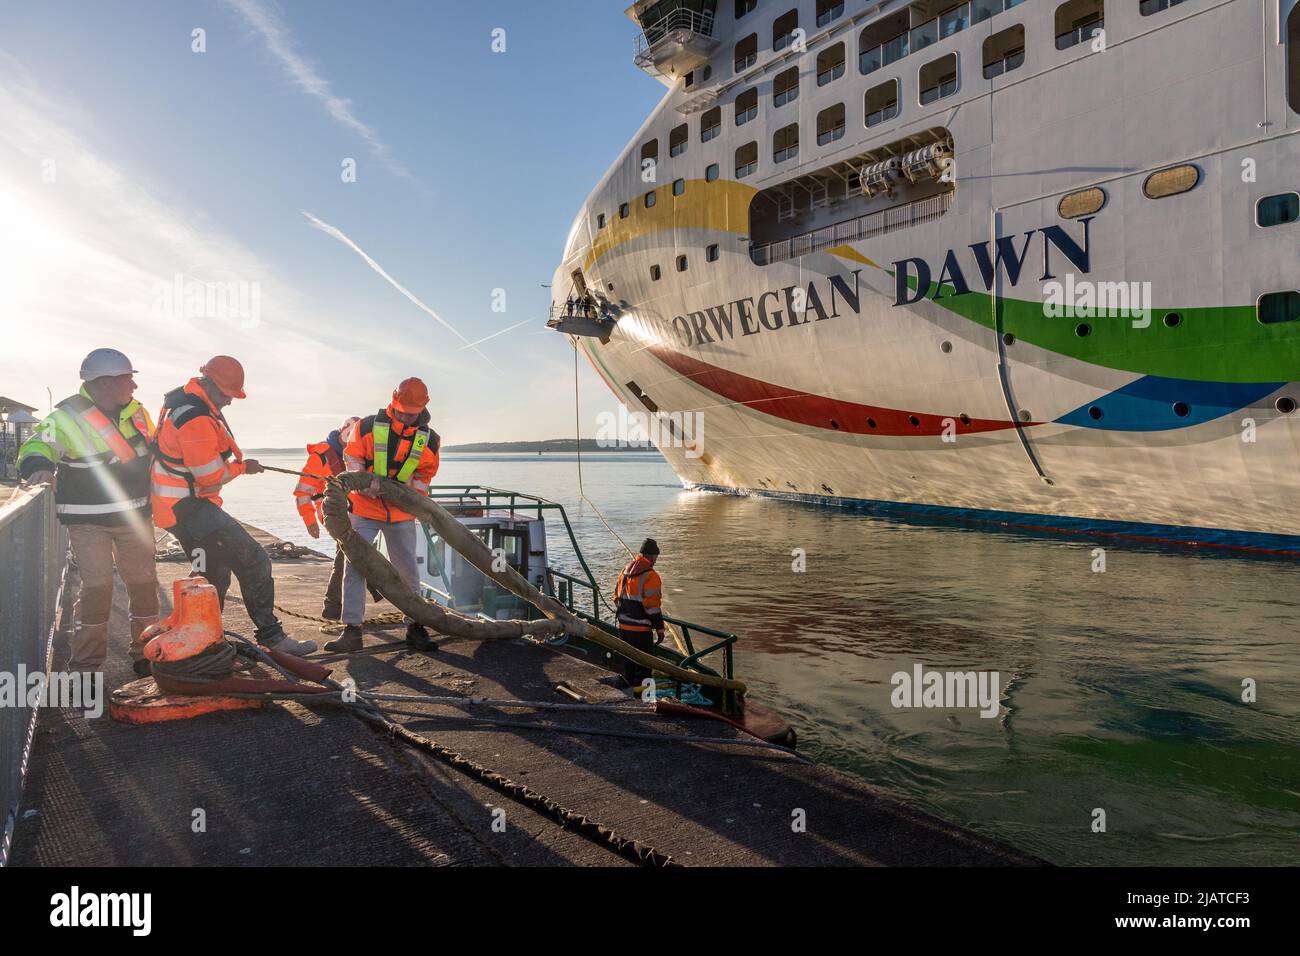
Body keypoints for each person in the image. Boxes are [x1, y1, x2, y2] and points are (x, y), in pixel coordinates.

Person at [150, 356, 315, 656]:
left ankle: (202, 640)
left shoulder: (184, 403)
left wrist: (242, 466)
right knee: (255, 561)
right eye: (227, 394)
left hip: (174, 508)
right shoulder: (196, 417)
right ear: (210, 384)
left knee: (211, 574)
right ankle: (271, 637)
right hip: (190, 509)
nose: (229, 401)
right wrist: (241, 469)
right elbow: (209, 476)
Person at [17, 349, 161, 676]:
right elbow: (38, 445)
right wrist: (39, 467)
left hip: (135, 518)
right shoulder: (66, 418)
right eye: (128, 378)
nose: (134, 386)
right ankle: (86, 668)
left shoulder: (138, 413)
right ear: (105, 383)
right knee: (97, 588)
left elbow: (155, 452)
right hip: (87, 521)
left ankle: (146, 653)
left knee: (144, 585)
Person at [326, 377, 440, 654]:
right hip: (364, 509)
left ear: (422, 408)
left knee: (408, 571)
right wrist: (366, 483)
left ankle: (415, 626)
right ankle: (351, 630)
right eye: (400, 409)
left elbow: (425, 474)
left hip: (401, 513)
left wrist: (410, 494)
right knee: (355, 567)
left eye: (410, 412)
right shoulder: (366, 426)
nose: (404, 414)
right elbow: (352, 458)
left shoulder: (430, 440)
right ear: (392, 399)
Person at [292, 416, 365, 623]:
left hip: (356, 512)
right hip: (331, 513)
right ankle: (332, 607)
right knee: (346, 554)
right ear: (342, 433)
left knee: (353, 554)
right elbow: (302, 493)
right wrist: (310, 522)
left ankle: (335, 607)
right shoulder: (321, 456)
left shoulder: (359, 453)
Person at [612, 538, 666, 687]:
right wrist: (660, 629)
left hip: (623, 628)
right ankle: (642, 701)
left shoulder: (624, 572)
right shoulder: (651, 576)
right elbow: (652, 608)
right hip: (641, 632)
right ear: (653, 556)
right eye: (656, 557)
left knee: (628, 665)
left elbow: (616, 598)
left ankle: (627, 690)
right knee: (644, 668)